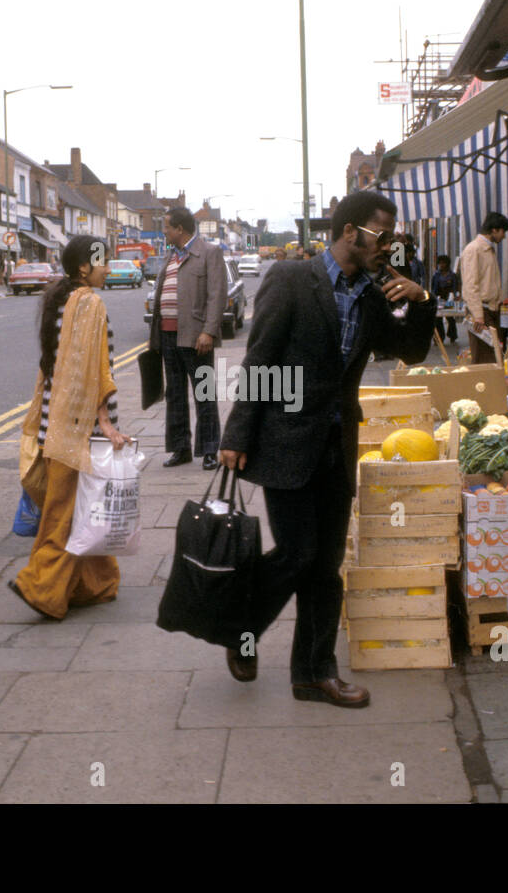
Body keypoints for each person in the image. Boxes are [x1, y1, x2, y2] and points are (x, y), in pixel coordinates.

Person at [218, 191, 437, 707]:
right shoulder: (293, 279)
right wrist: (237, 434)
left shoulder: (374, 293)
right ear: (349, 233)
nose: (389, 246)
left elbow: (409, 350)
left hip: (337, 445)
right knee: (298, 554)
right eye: (382, 236)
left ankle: (314, 673)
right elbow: (261, 359)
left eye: (393, 237)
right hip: (285, 441)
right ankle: (242, 624)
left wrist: (421, 301)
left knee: (326, 564)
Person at [9, 234, 131, 620]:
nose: (108, 269)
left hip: (55, 424)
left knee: (84, 510)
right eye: (103, 262)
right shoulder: (90, 303)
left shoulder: (59, 301)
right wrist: (107, 423)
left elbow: (54, 369)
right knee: (64, 515)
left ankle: (96, 584)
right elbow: (96, 373)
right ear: (84, 267)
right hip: (77, 430)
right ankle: (41, 587)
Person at [148, 206, 228, 470]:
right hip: (168, 336)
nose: (164, 231)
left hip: (196, 337)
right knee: (175, 394)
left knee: (203, 394)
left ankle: (208, 451)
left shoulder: (209, 253)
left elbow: (217, 296)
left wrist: (208, 331)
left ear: (180, 229)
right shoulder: (171, 256)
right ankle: (180, 449)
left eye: (167, 227)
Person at [460, 211, 508, 352]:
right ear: (494, 230)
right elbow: (470, 285)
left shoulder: (488, 249)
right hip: (481, 311)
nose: (504, 236)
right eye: (503, 231)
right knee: (484, 358)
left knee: (495, 356)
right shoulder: (473, 250)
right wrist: (478, 315)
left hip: (491, 309)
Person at [432, 254, 461, 343]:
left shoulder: (452, 275)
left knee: (450, 317)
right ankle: (439, 338)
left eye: (443, 263)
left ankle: (452, 335)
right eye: (440, 263)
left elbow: (456, 287)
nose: (441, 265)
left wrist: (457, 296)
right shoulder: (436, 275)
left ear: (447, 264)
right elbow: (433, 288)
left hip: (449, 298)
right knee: (438, 318)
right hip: (439, 298)